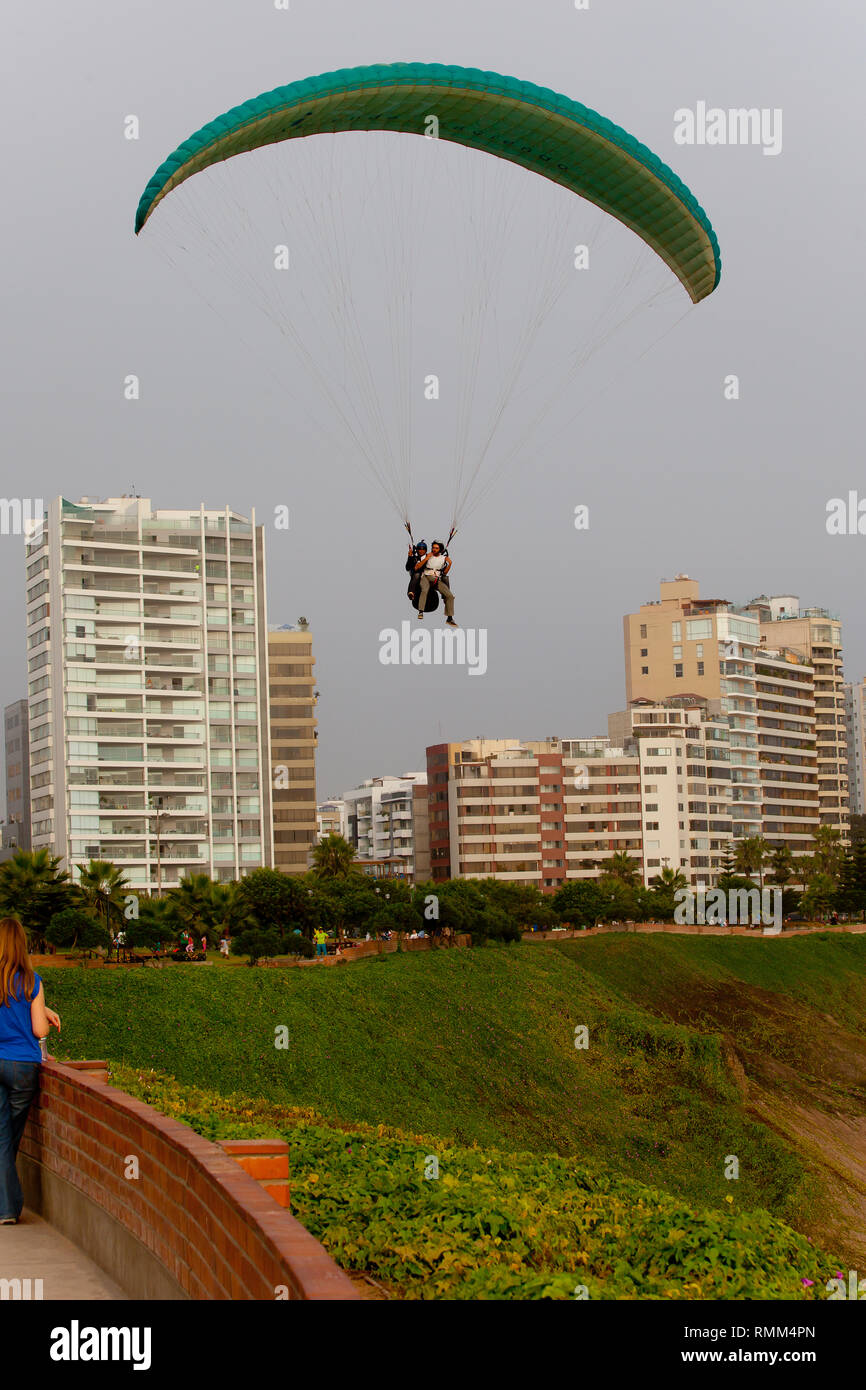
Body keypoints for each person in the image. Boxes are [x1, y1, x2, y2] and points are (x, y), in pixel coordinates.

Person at [0, 918, 61, 1225]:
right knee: (8, 1137)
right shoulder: (32, 981)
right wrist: (41, 1011)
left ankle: (7, 1207)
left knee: (2, 1138)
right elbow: (38, 1029)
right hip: (23, 1067)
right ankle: (8, 1207)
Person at [415, 540, 457, 625]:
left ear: (440, 549)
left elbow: (444, 573)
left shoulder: (443, 558)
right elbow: (417, 567)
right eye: (433, 548)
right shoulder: (426, 556)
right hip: (426, 577)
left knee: (450, 596)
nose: (434, 549)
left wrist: (450, 564)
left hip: (436, 579)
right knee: (424, 590)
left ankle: (449, 618)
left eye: (436, 548)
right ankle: (421, 611)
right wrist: (426, 558)